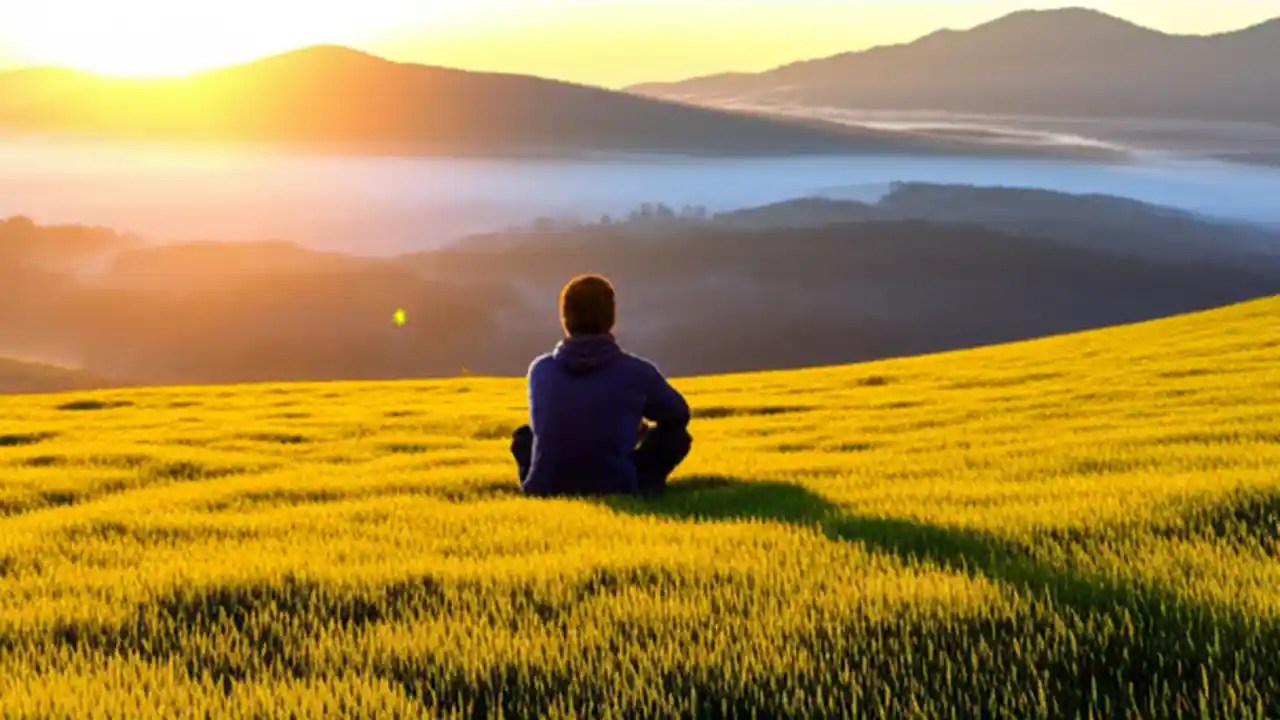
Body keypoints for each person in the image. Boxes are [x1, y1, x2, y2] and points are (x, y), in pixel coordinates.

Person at [511, 275, 691, 496]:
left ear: (564, 318)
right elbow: (678, 414)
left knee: (524, 436)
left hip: (544, 488)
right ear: (612, 317)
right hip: (616, 485)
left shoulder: (540, 369)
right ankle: (645, 486)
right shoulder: (636, 371)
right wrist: (633, 430)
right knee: (677, 436)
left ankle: (541, 483)